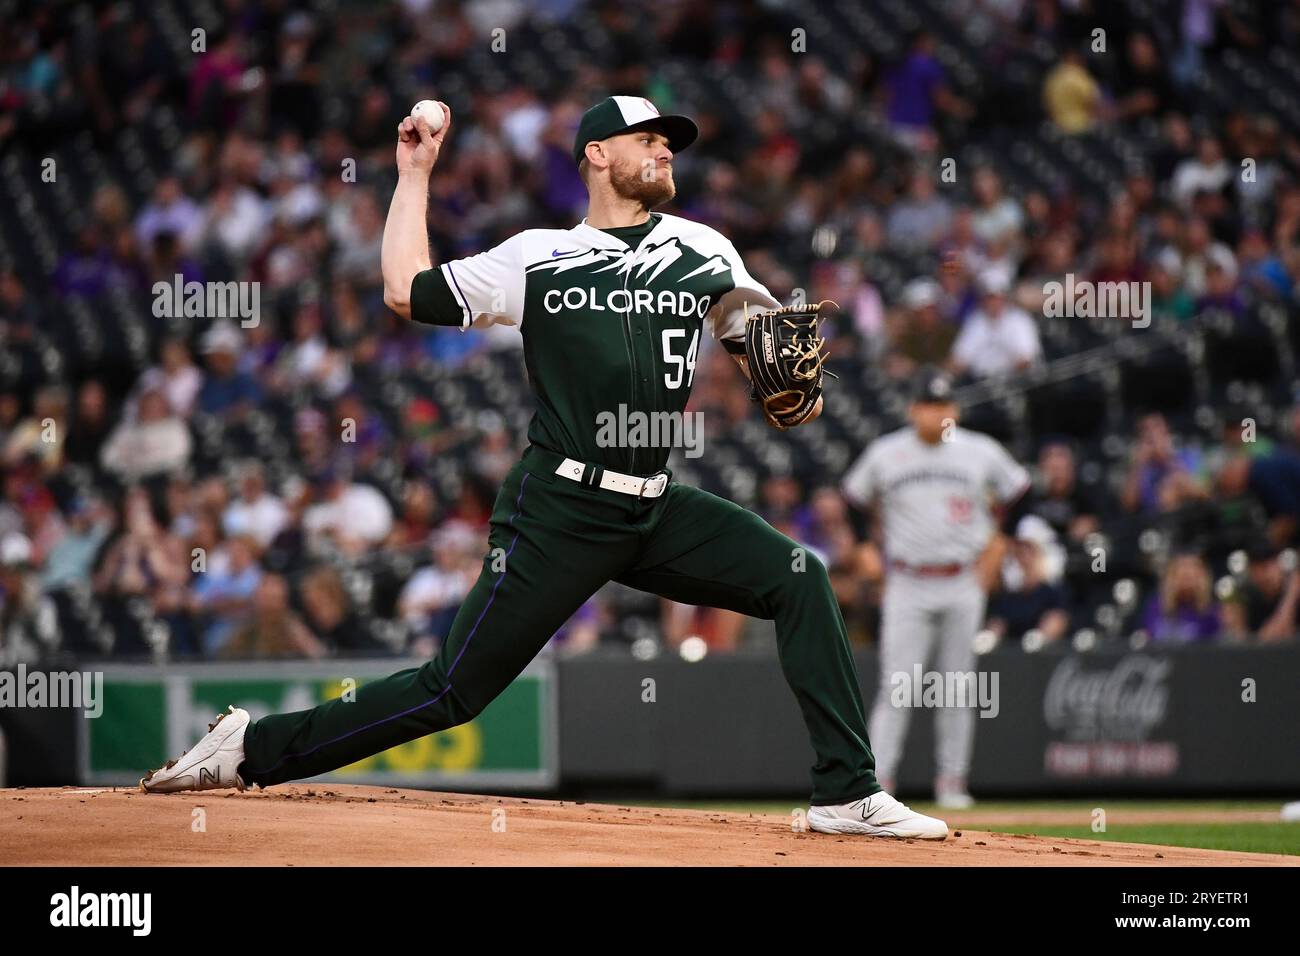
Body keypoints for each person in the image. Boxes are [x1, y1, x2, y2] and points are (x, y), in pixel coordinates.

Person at [140, 96, 947, 840]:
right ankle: (250, 747)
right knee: (451, 690)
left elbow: (744, 315)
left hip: (655, 507)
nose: (666, 148)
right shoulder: (540, 257)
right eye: (648, 138)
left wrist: (762, 340)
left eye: (671, 142)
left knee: (797, 574)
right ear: (597, 153)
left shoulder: (703, 246)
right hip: (560, 508)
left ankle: (846, 791)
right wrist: (414, 174)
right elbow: (402, 290)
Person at [842, 367, 1032, 809]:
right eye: (929, 404)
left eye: (944, 404)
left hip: (963, 578)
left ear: (955, 409)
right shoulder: (887, 453)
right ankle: (877, 783)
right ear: (913, 410)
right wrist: (864, 547)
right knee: (898, 686)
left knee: (957, 686)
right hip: (907, 581)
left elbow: (1022, 492)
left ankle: (952, 781)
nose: (936, 413)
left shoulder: (979, 450)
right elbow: (852, 498)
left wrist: (999, 545)